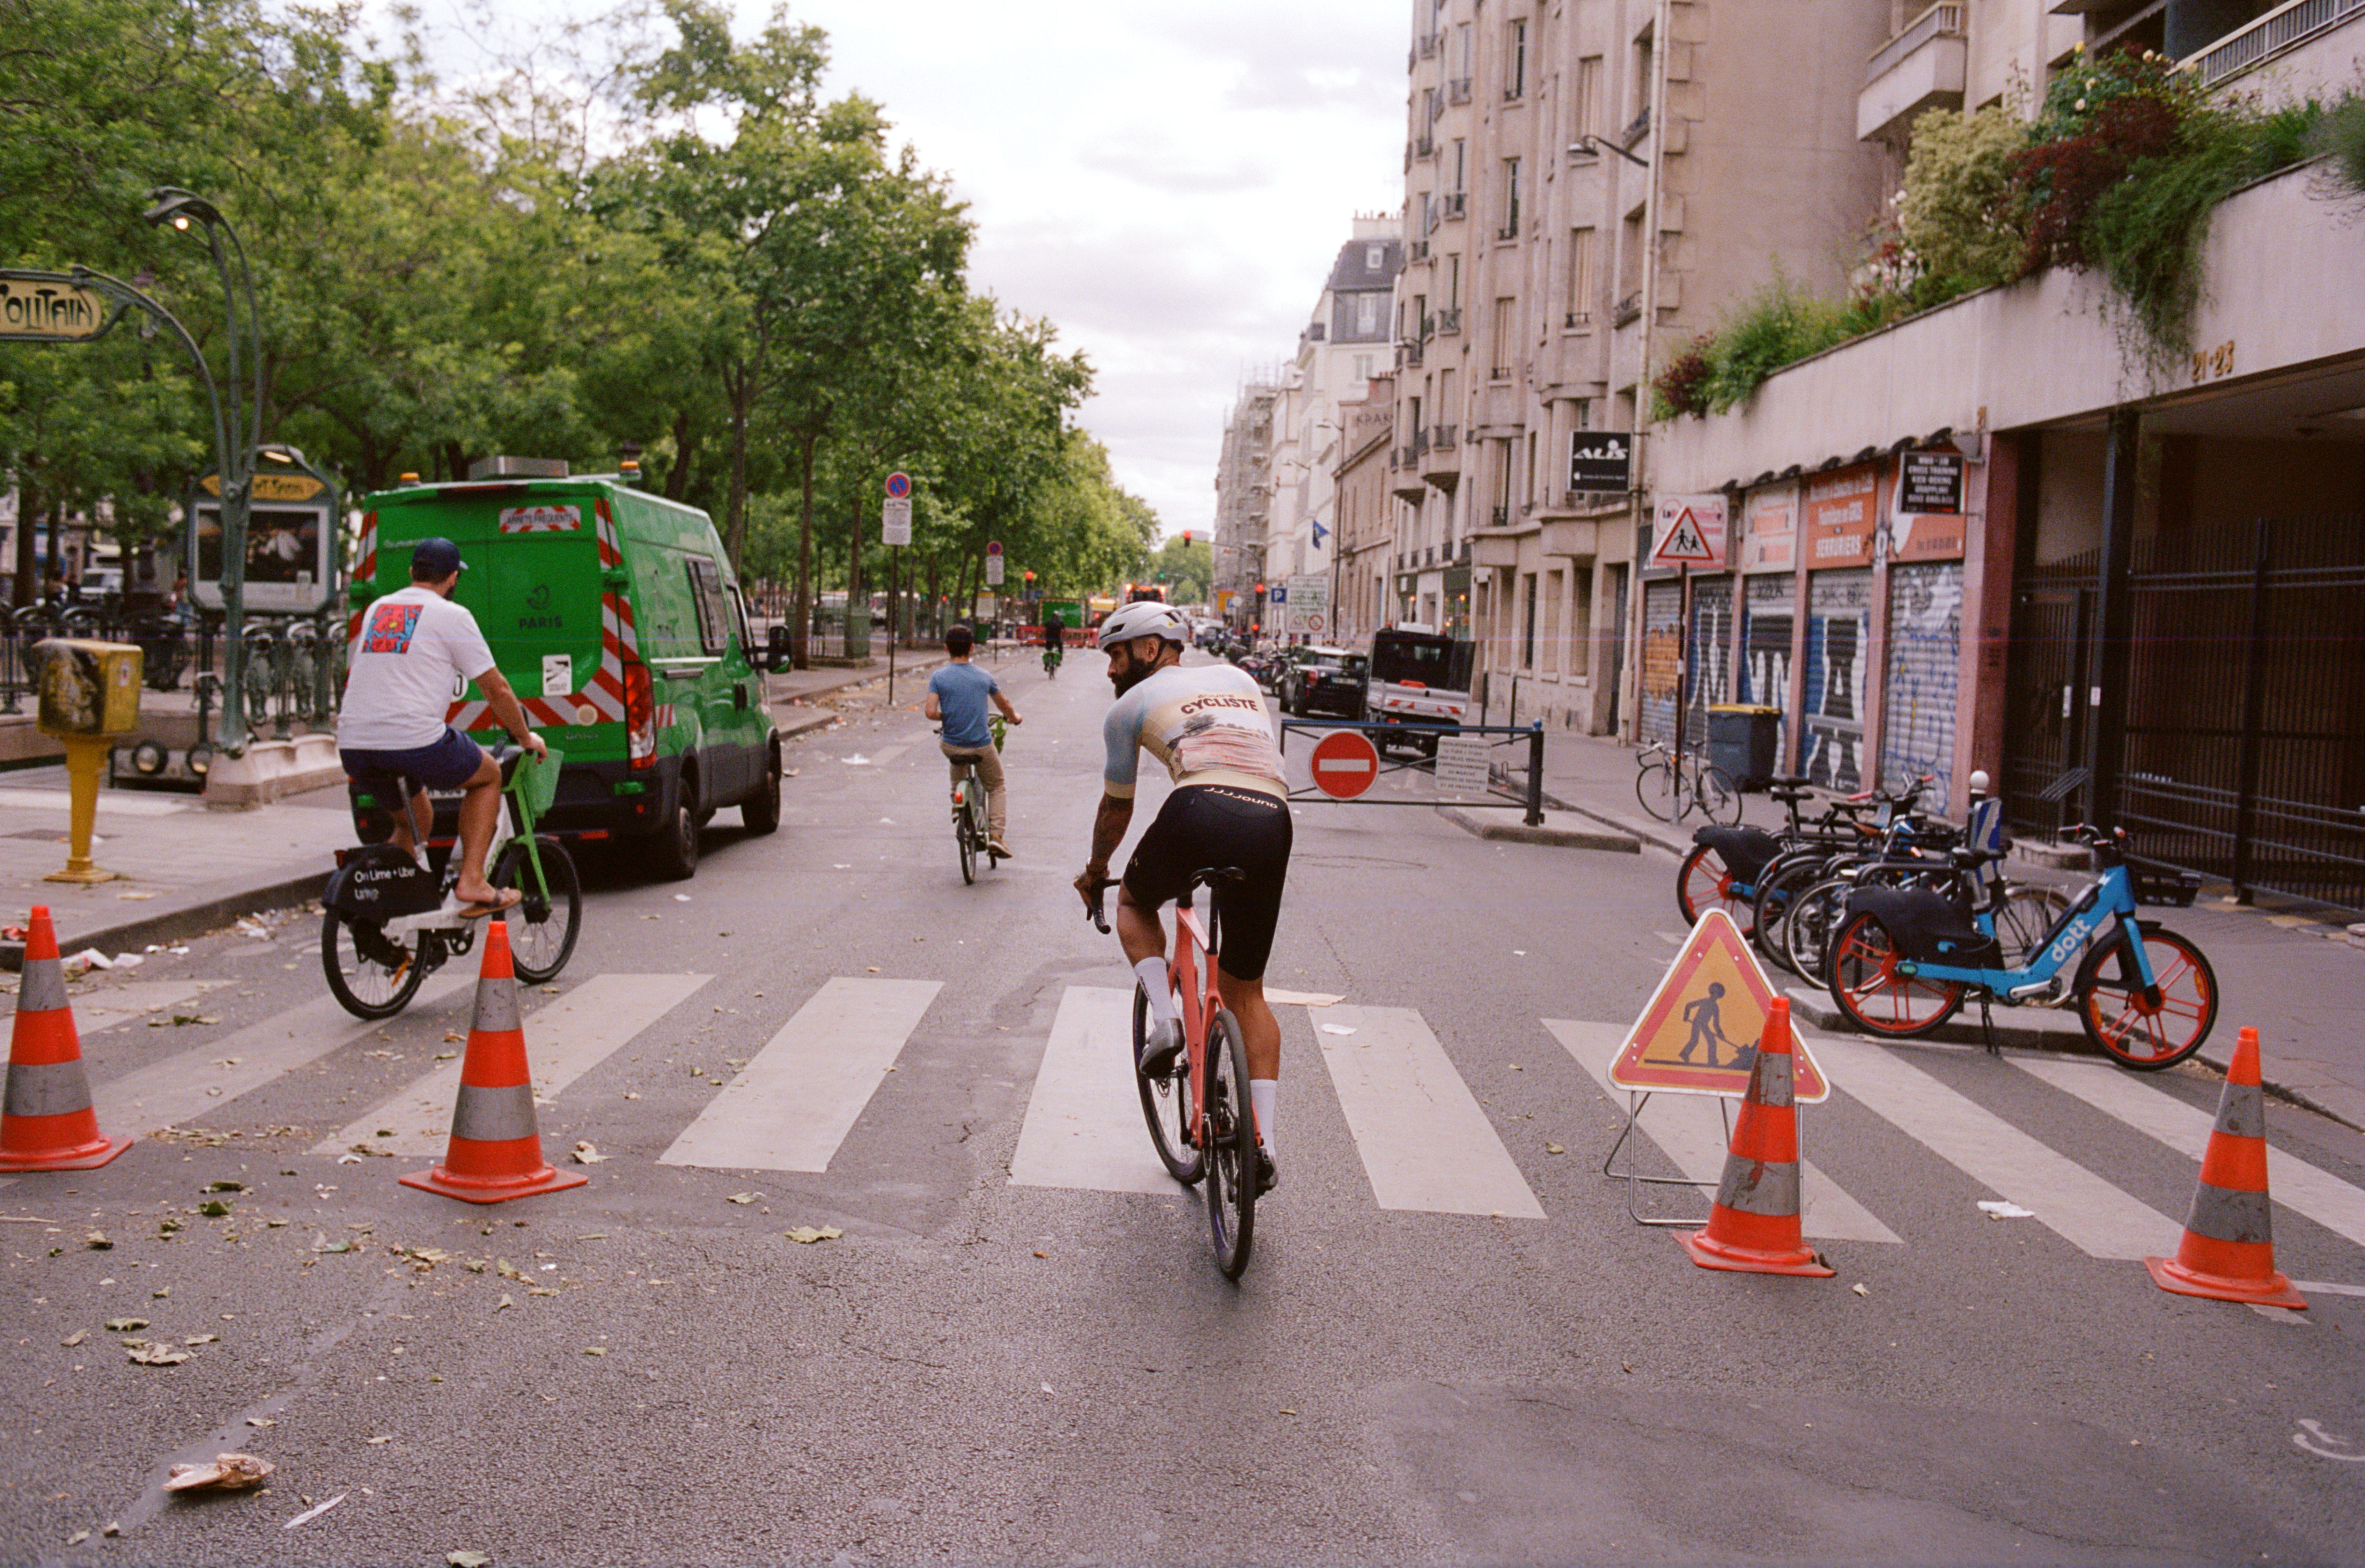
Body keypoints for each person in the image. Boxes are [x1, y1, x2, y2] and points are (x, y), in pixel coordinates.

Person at [1071, 600, 1289, 1192]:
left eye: (1115, 654)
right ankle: (1260, 1146)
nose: (1110, 670)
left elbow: (1117, 808)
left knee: (1135, 903)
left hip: (1197, 804)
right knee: (1247, 994)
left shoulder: (1127, 709)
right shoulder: (1242, 678)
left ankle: (1165, 1024)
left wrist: (1096, 870)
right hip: (1272, 816)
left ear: (1149, 648)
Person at [336, 537, 547, 917]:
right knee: (487, 777)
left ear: (411, 572)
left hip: (354, 743)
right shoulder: (453, 616)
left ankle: (391, 902)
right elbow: (496, 687)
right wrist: (524, 736)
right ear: (452, 579)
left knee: (417, 820)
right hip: (413, 739)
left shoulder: (378, 609)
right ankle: (472, 882)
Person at [924, 624, 1021, 857]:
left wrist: (946, 716)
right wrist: (1014, 718)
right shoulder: (984, 677)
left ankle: (957, 805)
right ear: (972, 648)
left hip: (952, 745)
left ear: (946, 648)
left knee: (956, 756)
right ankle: (997, 836)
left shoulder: (938, 677)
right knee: (997, 786)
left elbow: (930, 712)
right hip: (981, 745)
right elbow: (1003, 705)